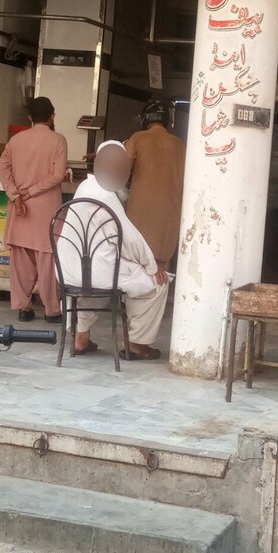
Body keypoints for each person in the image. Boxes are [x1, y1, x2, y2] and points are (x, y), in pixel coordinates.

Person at [58, 141, 169, 360]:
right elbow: (129, 238)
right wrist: (151, 266)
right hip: (96, 271)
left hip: (67, 271)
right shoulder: (107, 194)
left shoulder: (84, 187)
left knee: (93, 288)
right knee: (157, 284)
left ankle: (81, 338)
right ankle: (137, 345)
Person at [0, 96, 67, 323]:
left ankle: (23, 308)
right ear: (52, 116)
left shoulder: (16, 141)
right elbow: (57, 176)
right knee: (47, 259)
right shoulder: (58, 140)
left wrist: (15, 194)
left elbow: (3, 170)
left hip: (20, 208)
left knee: (20, 260)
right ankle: (52, 310)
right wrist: (32, 191)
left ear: (29, 117)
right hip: (46, 208)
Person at [125, 98, 186, 271]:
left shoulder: (137, 138)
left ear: (146, 118)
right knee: (161, 268)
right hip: (170, 212)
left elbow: (121, 171)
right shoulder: (181, 145)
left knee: (136, 263)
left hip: (140, 210)